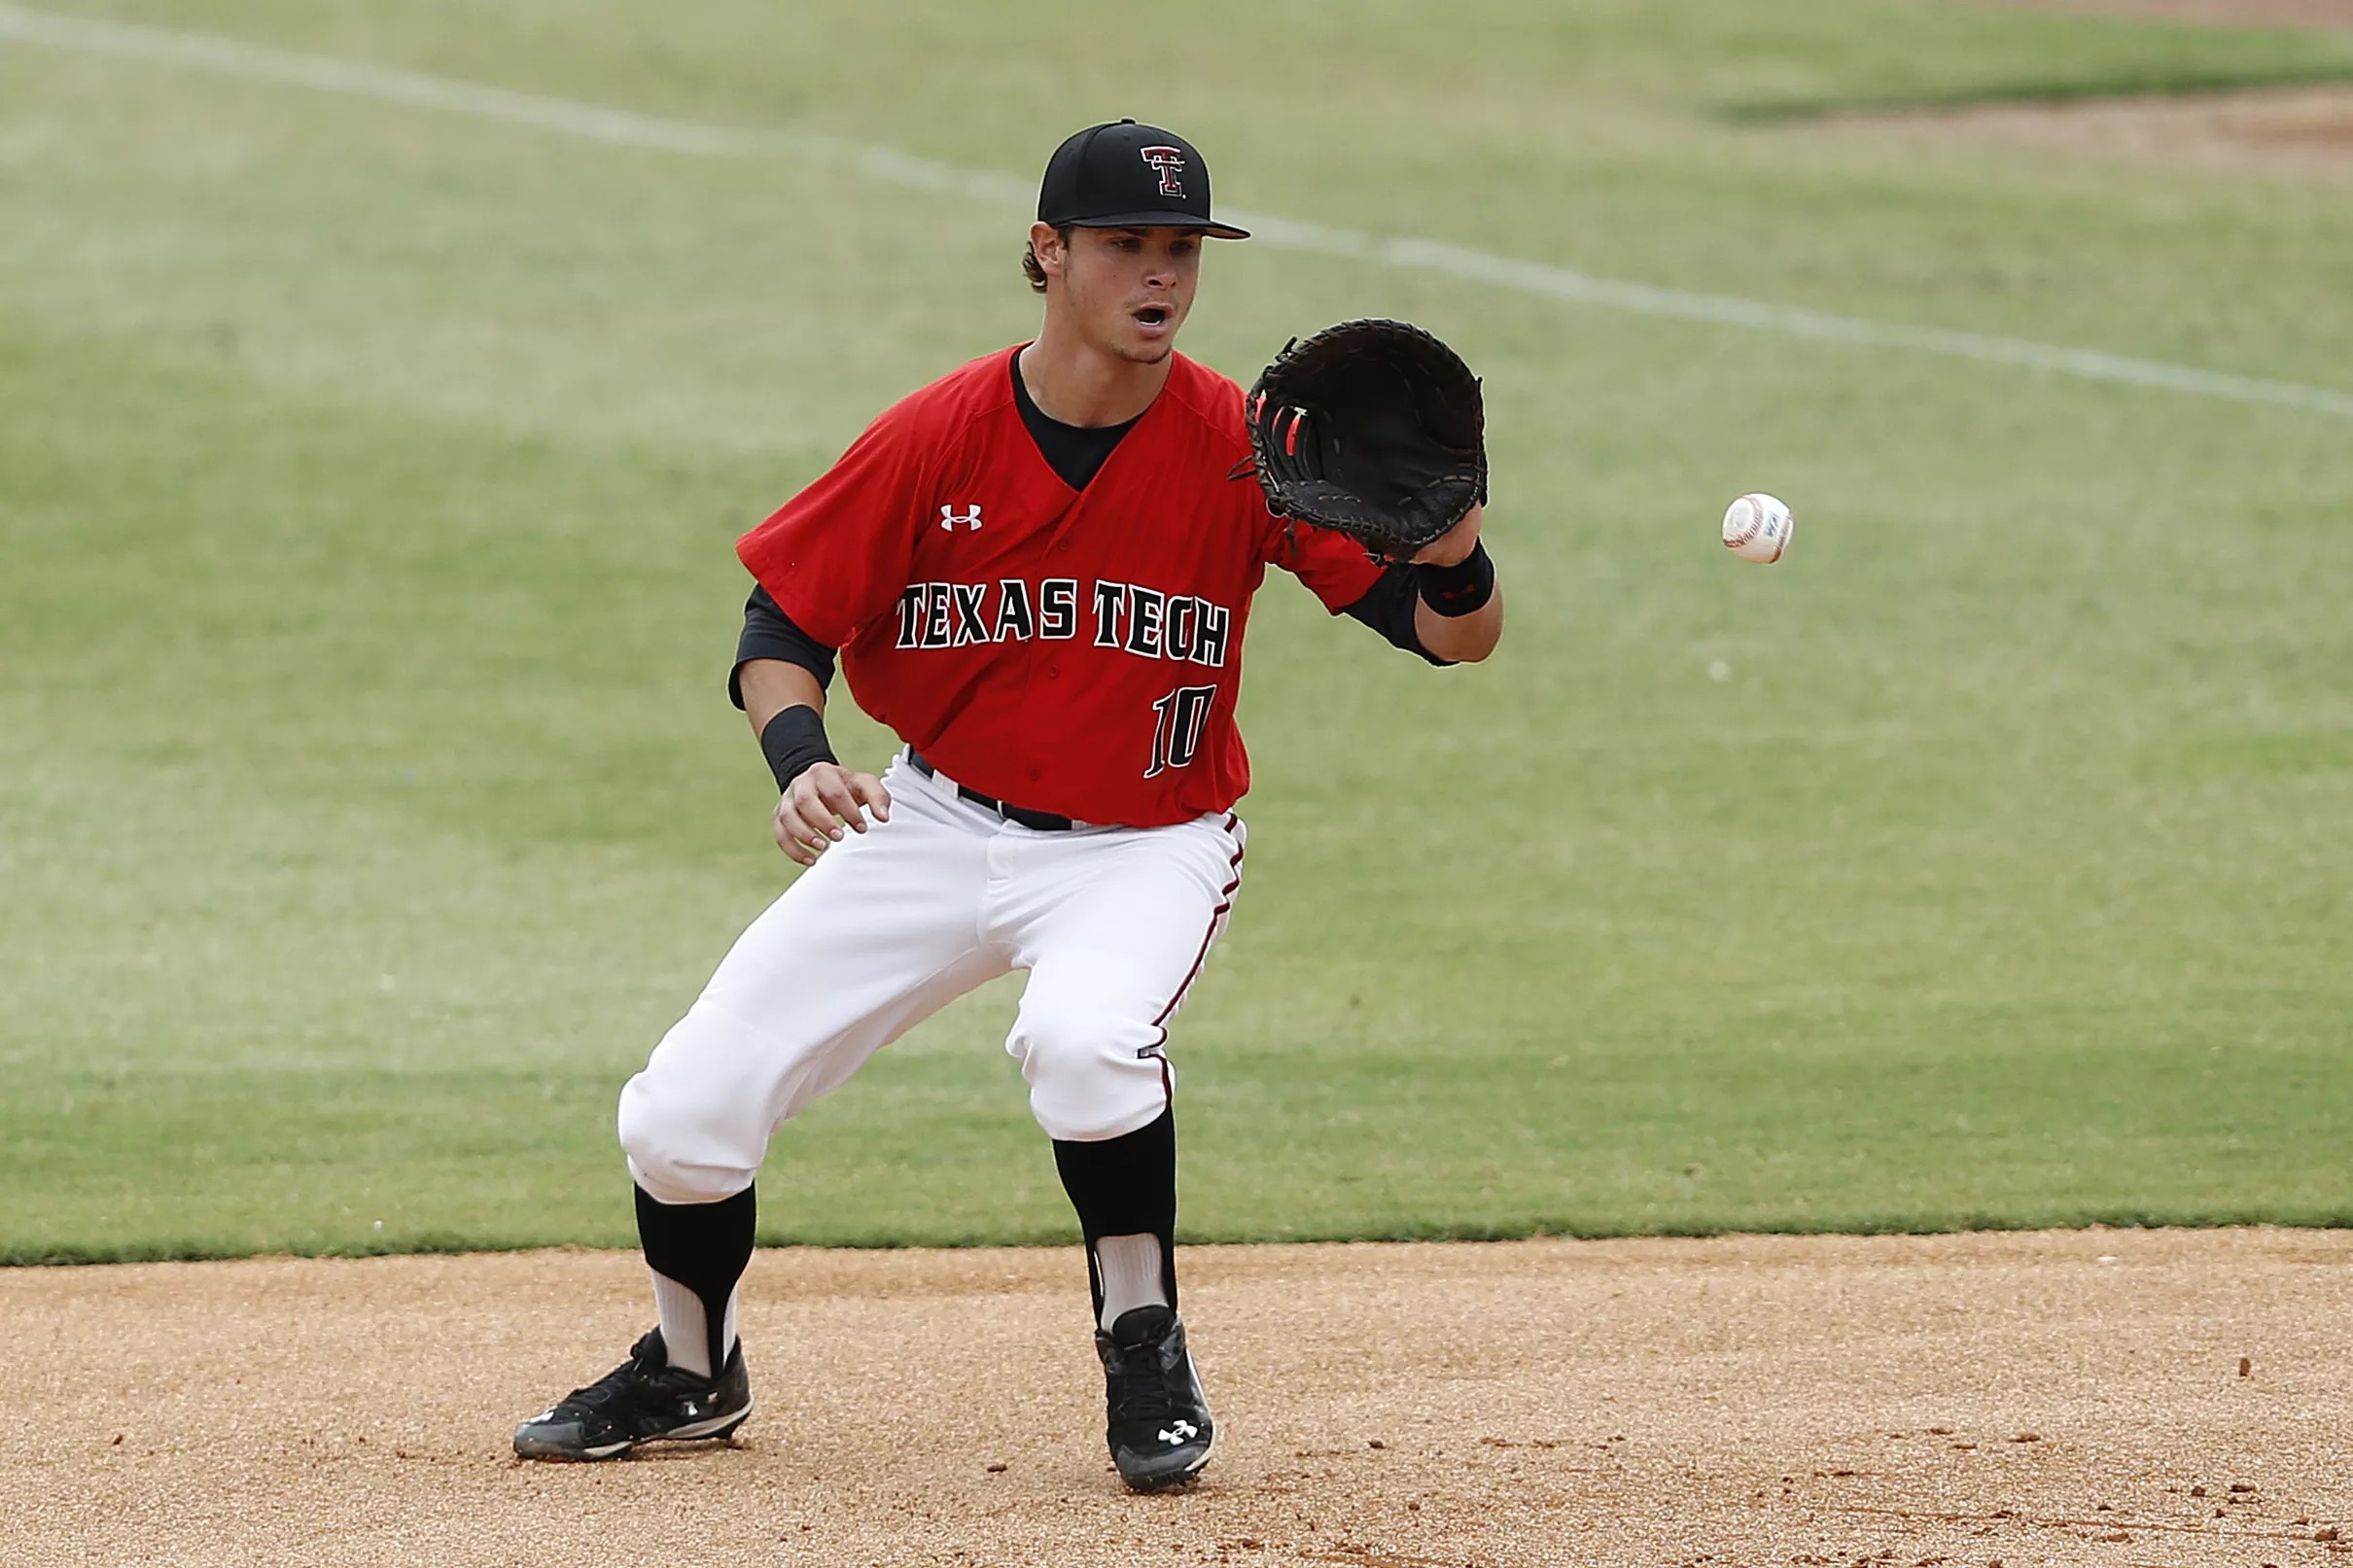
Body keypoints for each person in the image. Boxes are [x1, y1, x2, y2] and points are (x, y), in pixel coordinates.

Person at [513, 118, 1504, 1491]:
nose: (1159, 275)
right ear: (1048, 253)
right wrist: (800, 755)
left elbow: (1452, 636)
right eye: (1125, 246)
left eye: (1181, 250)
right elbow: (779, 619)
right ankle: (690, 1368)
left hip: (1146, 845)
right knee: (679, 1113)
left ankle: (1143, 1343)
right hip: (931, 825)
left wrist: (1455, 557)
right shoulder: (938, 436)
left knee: (1086, 1043)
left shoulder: (1244, 446)